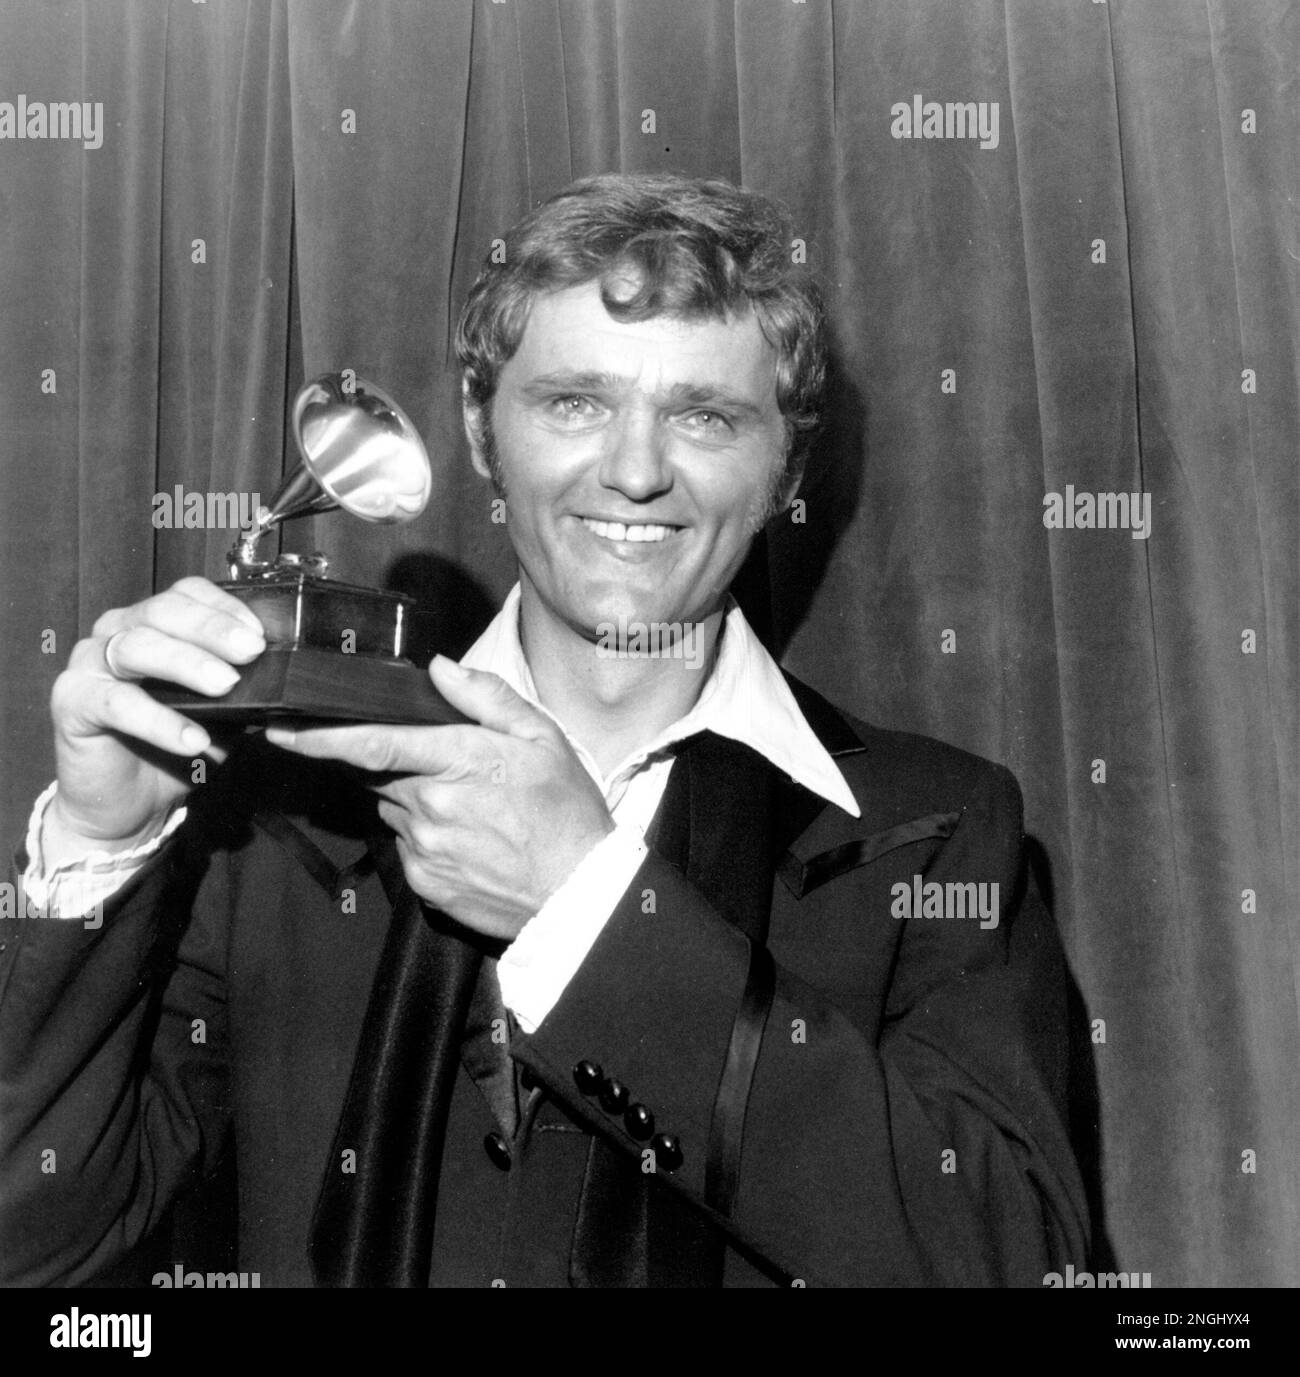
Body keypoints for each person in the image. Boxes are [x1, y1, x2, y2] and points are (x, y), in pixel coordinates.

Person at [0, 172, 1089, 1287]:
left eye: (704, 416)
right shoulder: (271, 807)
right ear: (481, 435)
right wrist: (100, 847)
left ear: (784, 471)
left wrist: (589, 907)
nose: (633, 471)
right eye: (574, 402)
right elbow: (37, 1251)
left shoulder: (936, 829)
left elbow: (1009, 1261)